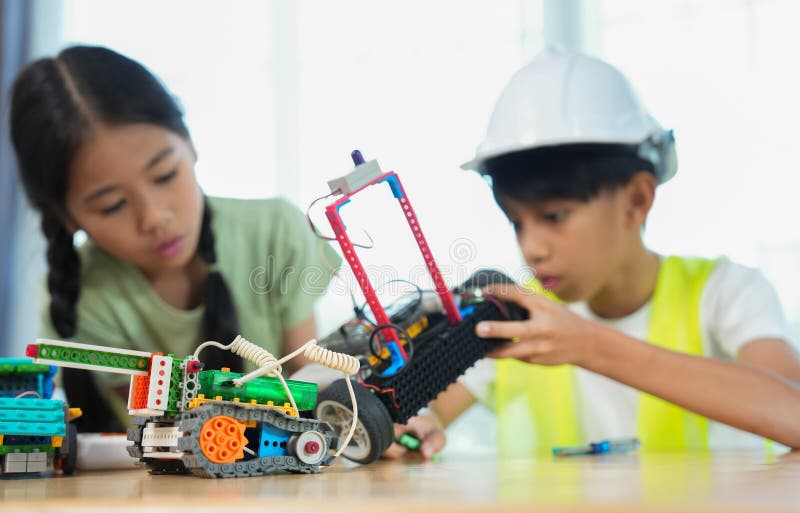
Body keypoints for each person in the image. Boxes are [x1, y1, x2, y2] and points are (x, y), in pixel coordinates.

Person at [386, 50, 800, 459]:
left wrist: (590, 346)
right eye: (517, 222)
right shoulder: (515, 316)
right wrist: (417, 426)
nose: (532, 247)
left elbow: (793, 413)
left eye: (554, 215)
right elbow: (431, 415)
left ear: (637, 200)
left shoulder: (726, 292)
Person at [10, 45, 341, 432]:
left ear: (190, 142)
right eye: (113, 205)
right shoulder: (83, 296)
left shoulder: (275, 231)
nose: (154, 218)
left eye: (165, 175)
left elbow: (307, 377)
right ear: (65, 217)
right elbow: (139, 432)